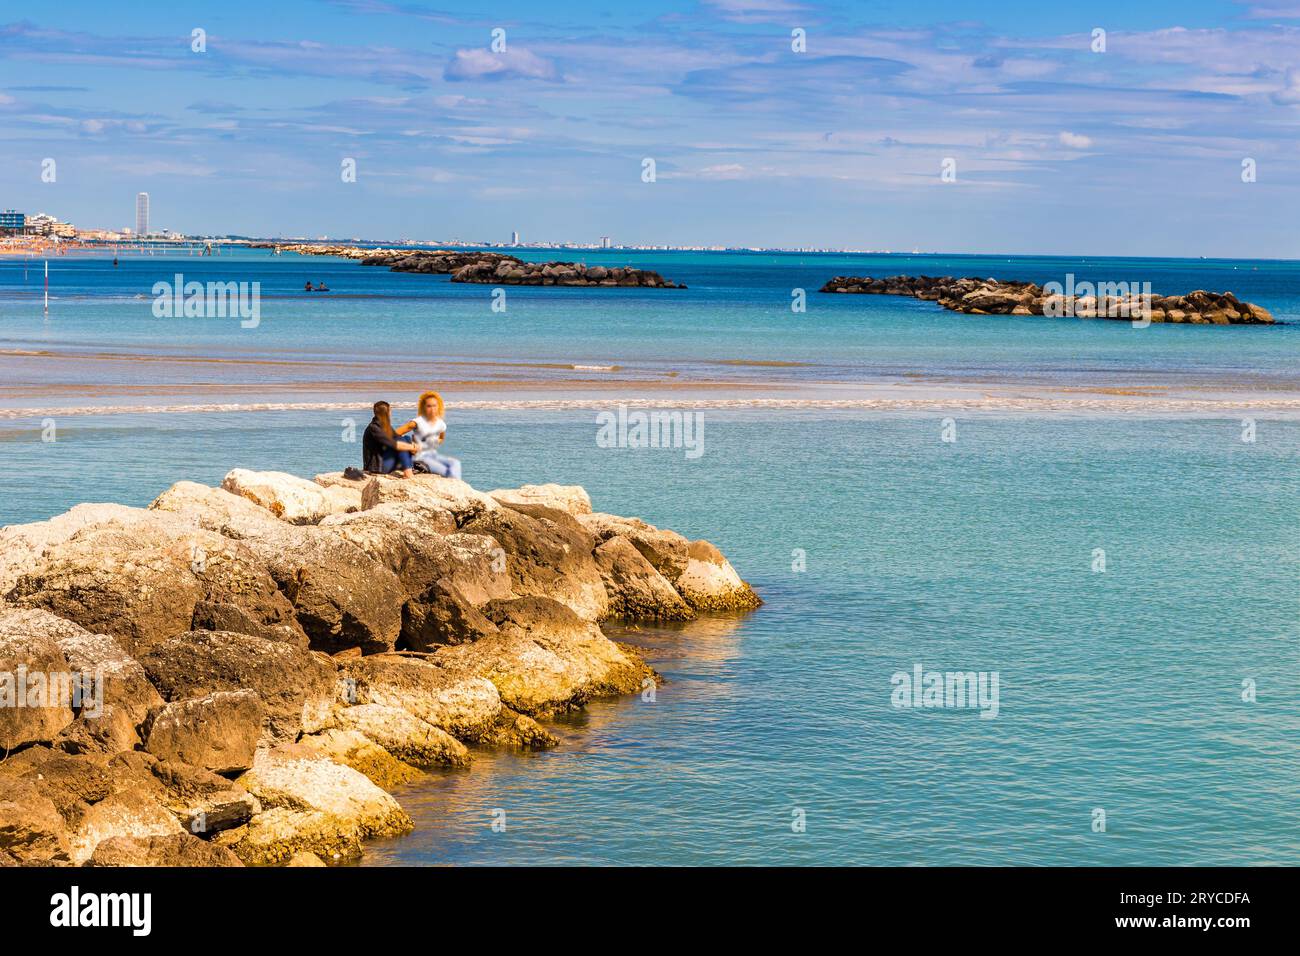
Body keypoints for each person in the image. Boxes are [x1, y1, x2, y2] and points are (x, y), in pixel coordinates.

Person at [397, 390, 462, 479]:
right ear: (423, 407)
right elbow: (396, 434)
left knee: (455, 463)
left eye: (434, 406)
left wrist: (433, 442)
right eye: (429, 406)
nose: (432, 409)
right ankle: (455, 489)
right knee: (447, 471)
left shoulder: (441, 424)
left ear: (438, 406)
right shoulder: (417, 422)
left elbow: (441, 438)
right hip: (420, 457)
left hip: (433, 455)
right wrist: (410, 445)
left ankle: (456, 487)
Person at [362, 401, 417, 477]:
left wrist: (411, 444)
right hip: (377, 467)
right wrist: (412, 447)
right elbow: (394, 444)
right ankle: (408, 471)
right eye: (390, 410)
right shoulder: (374, 428)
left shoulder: (384, 425)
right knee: (401, 442)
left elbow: (397, 437)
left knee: (406, 438)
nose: (391, 413)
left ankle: (409, 467)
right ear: (386, 413)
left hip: (386, 461)